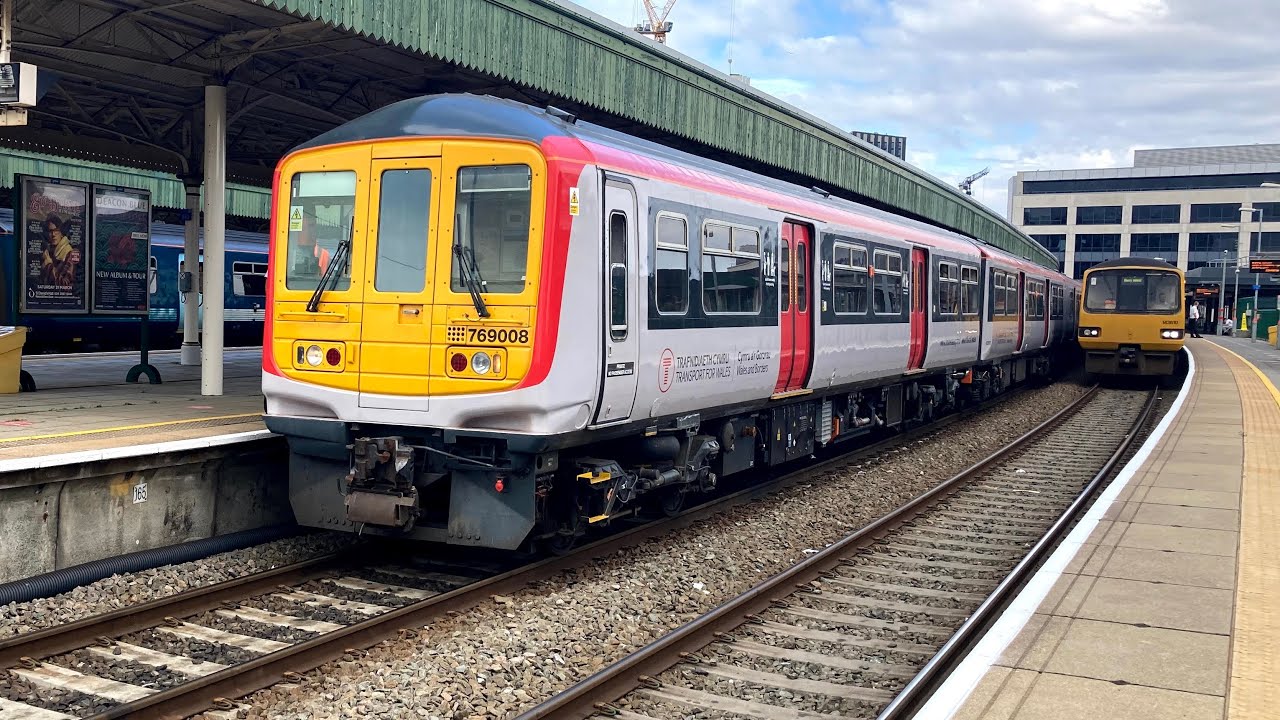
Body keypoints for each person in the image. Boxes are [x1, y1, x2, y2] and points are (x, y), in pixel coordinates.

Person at [39, 214, 77, 288]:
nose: (53, 234)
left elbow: (66, 285)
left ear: (61, 232)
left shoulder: (69, 253)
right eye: (50, 231)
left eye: (56, 230)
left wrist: (48, 265)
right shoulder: (48, 251)